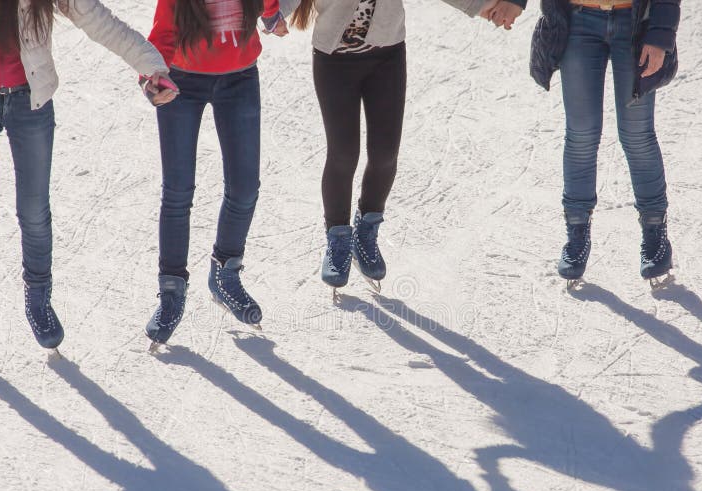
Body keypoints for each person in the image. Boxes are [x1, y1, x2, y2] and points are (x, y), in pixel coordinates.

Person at [0, 0, 172, 367]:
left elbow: (100, 22)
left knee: (34, 213)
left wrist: (150, 66)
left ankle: (38, 300)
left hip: (29, 104)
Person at [283, 0, 515, 295]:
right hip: (334, 60)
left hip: (387, 56)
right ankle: (338, 238)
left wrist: (480, 4)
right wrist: (268, 14)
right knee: (343, 154)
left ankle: (366, 231)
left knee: (385, 155)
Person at [144, 0, 288, 345]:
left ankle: (225, 273)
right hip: (181, 80)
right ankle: (171, 291)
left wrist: (271, 16)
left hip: (239, 79)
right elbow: (163, 30)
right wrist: (150, 75)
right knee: (178, 192)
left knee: (244, 187)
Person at [526, 0, 680, 287]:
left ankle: (655, 233)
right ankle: (576, 234)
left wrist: (660, 34)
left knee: (637, 136)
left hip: (634, 22)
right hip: (577, 20)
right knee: (580, 135)